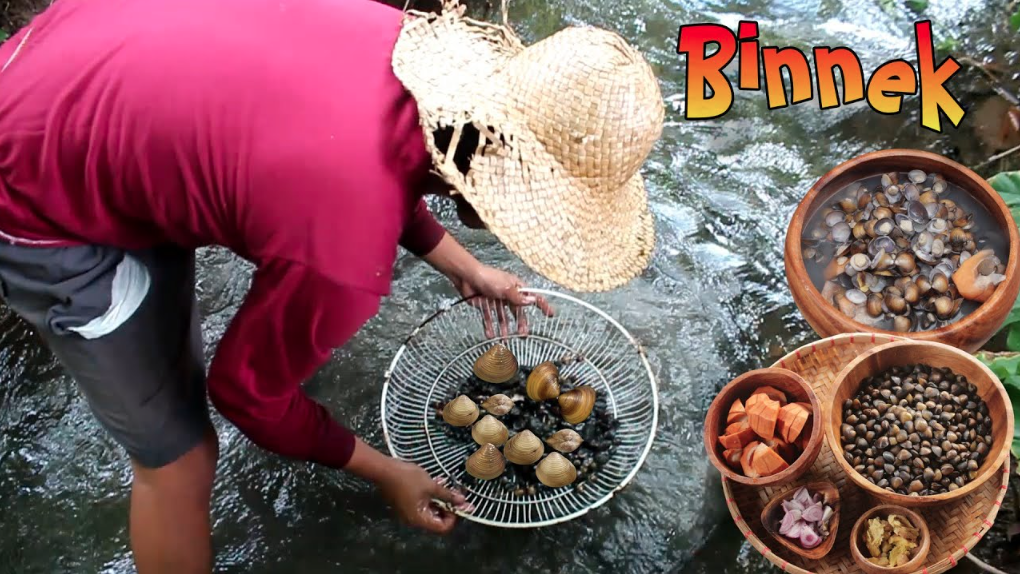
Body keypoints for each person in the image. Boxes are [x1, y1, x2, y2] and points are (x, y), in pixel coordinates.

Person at [0, 0, 664, 571]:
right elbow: (244, 395)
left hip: (69, 50)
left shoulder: (391, 39)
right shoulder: (343, 258)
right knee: (177, 456)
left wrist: (462, 265)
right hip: (25, 179)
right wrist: (388, 473)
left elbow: (376, 154)